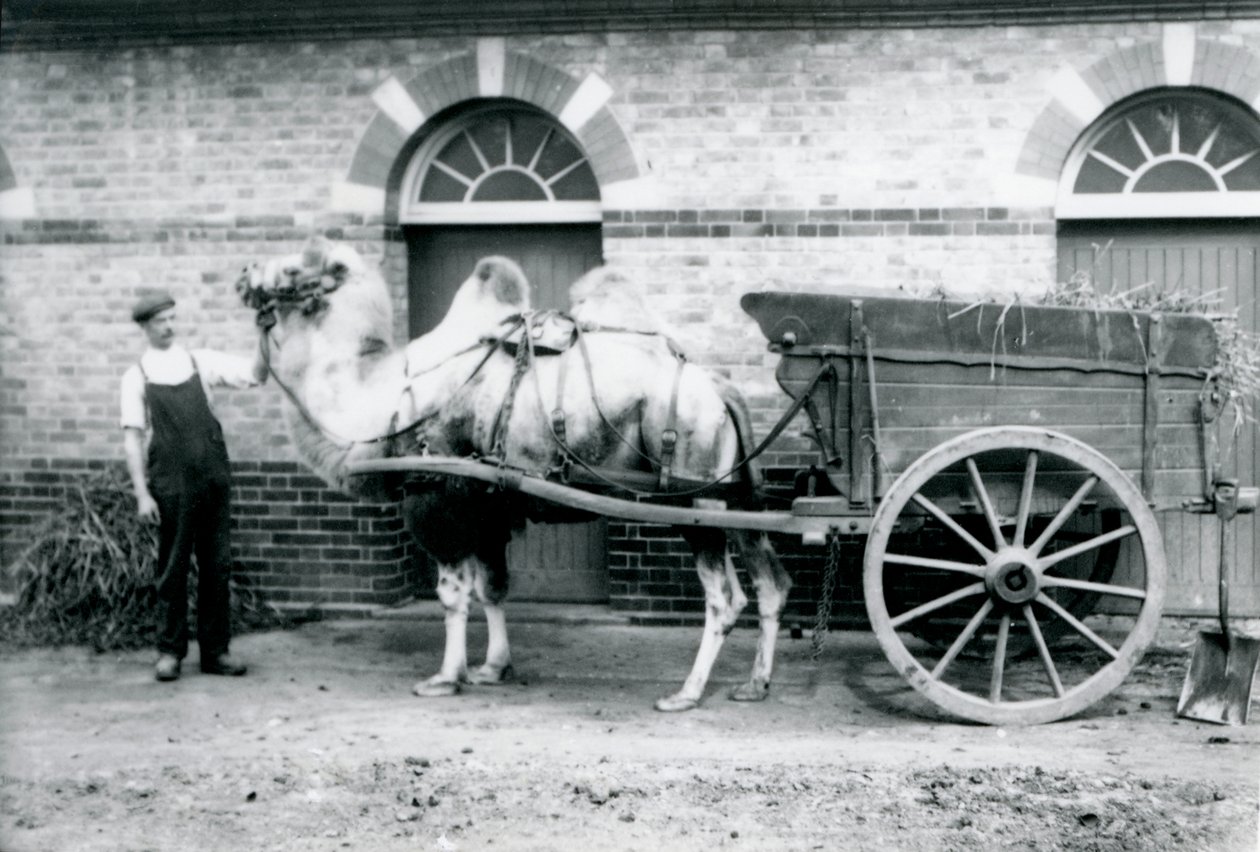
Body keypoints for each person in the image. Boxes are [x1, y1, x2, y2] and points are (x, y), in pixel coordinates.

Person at [120, 289, 269, 682]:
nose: (168, 326)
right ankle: (169, 652)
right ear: (144, 327)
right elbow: (133, 438)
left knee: (217, 566)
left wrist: (266, 335)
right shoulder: (137, 375)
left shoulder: (199, 362)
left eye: (172, 318)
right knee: (172, 568)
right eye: (159, 321)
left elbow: (255, 375)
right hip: (171, 485)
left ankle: (216, 652)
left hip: (213, 480)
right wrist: (141, 493)